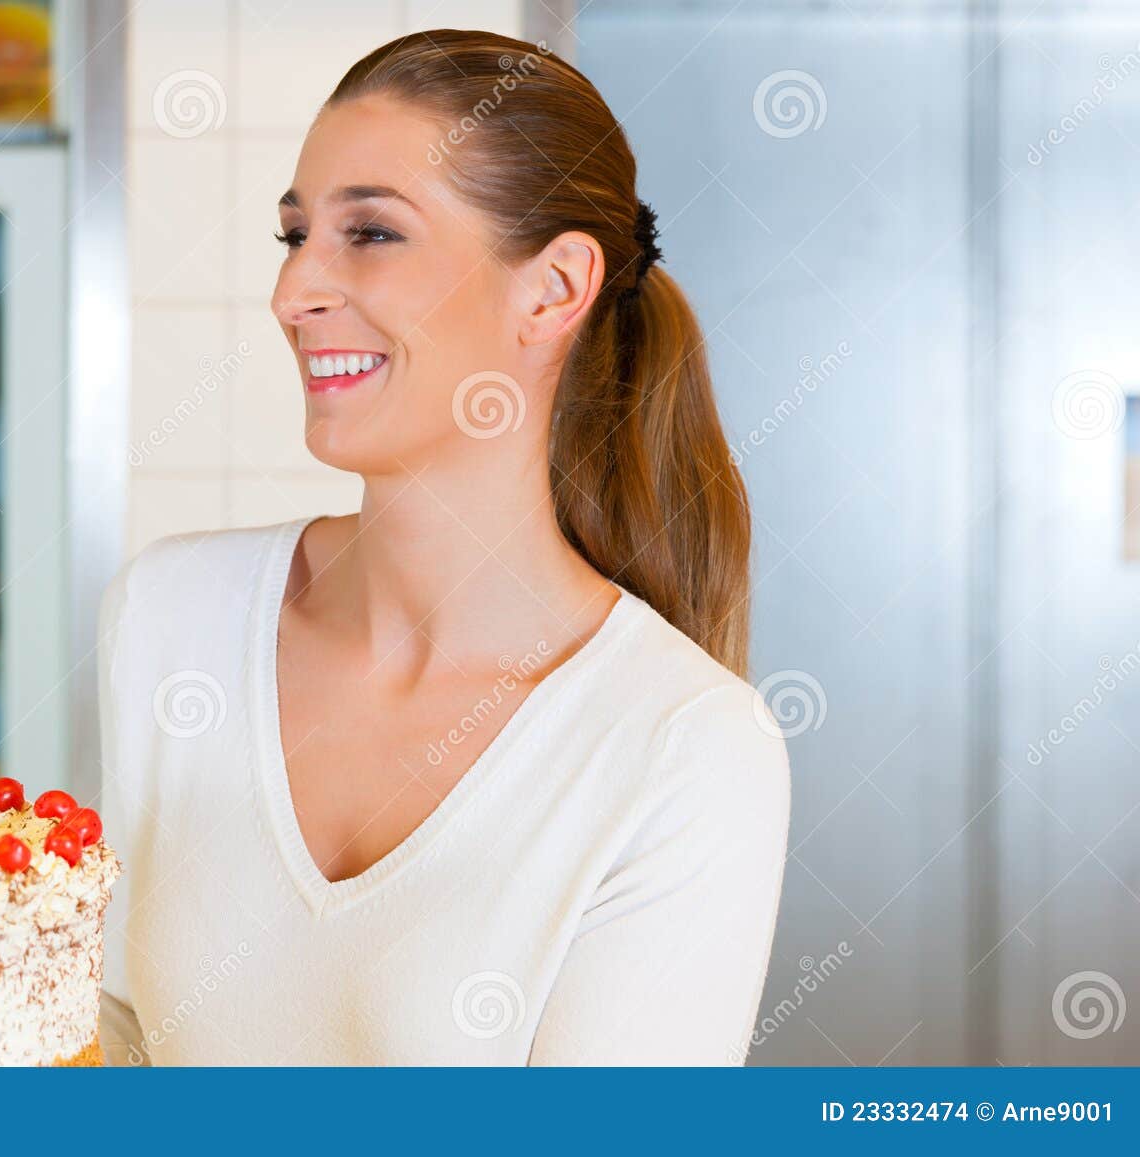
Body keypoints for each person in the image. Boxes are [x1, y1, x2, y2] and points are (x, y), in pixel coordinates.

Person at [96, 29, 790, 1065]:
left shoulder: (684, 746)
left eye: (369, 233)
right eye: (295, 237)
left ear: (552, 289)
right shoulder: (170, 615)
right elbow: (116, 1036)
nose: (295, 294)